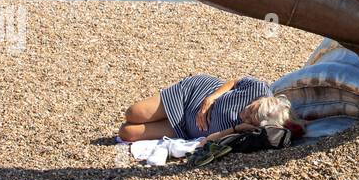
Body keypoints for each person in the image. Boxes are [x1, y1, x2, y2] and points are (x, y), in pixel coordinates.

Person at [118, 75, 302, 143]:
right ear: (263, 101)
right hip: (192, 94)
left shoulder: (251, 131)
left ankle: (165, 120)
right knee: (133, 113)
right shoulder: (259, 89)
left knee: (127, 133)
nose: (245, 115)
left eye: (250, 118)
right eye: (251, 109)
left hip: (185, 128)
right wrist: (211, 99)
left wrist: (237, 129)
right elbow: (234, 81)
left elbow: (205, 142)